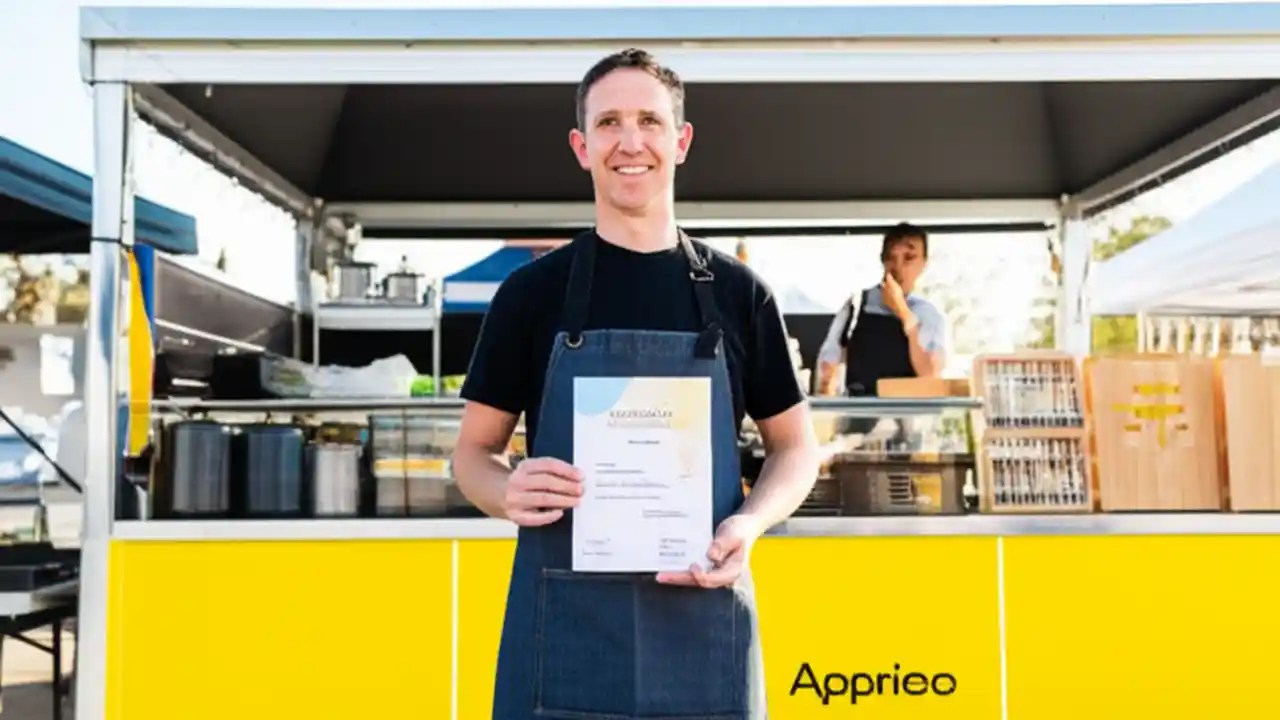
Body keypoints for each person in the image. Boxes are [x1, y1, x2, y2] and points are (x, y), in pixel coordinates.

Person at [451, 48, 821, 719]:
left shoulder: (741, 296)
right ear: (580, 145)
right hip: (564, 626)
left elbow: (797, 447)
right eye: (609, 123)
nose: (630, 142)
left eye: (649, 121)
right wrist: (507, 488)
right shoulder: (531, 296)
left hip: (704, 616)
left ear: (680, 141)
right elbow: (472, 454)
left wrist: (750, 522)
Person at [817, 222, 949, 398]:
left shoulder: (928, 314)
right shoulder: (856, 305)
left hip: (908, 418)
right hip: (858, 416)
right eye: (891, 257)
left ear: (923, 263)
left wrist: (903, 312)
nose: (898, 268)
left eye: (909, 258)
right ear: (882, 260)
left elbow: (930, 376)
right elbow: (828, 366)